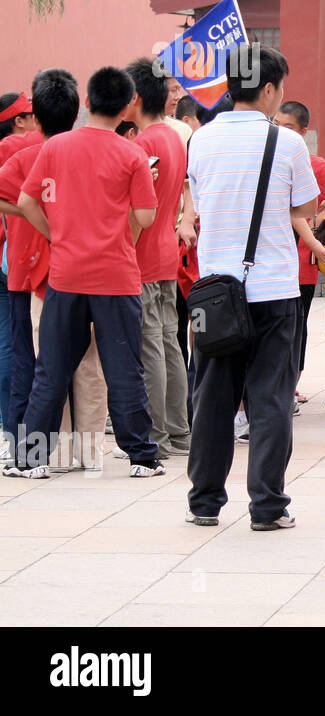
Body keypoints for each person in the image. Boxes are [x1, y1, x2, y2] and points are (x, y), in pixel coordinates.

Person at [184, 47, 319, 529]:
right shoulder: (287, 144)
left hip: (214, 294)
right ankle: (266, 507)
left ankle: (203, 502)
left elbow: (200, 201)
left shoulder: (200, 141)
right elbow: (306, 210)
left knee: (212, 398)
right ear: (268, 90)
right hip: (272, 291)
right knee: (270, 399)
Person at [5, 67, 161, 479]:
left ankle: (30, 459)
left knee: (51, 369)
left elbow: (25, 200)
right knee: (124, 367)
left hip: (66, 275)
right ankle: (142, 458)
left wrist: (56, 235)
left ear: (87, 101)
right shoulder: (132, 154)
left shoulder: (55, 148)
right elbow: (145, 214)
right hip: (117, 277)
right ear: (128, 106)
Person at [0, 71, 79, 462]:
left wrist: (28, 213)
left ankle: (22, 446)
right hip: (68, 270)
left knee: (24, 363)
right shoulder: (83, 150)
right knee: (69, 367)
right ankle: (72, 450)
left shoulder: (20, 149)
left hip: (25, 269)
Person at [126, 59, 192, 458]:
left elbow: (135, 211)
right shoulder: (172, 138)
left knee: (152, 347)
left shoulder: (143, 145)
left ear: (134, 98)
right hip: (167, 254)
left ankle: (157, 436)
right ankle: (179, 431)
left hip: (145, 258)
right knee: (169, 345)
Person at [272, 101, 325, 403]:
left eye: (288, 128)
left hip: (301, 265)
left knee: (295, 333)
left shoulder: (312, 164)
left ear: (302, 132)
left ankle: (289, 388)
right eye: (276, 125)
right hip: (272, 264)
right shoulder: (269, 159)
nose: (280, 132)